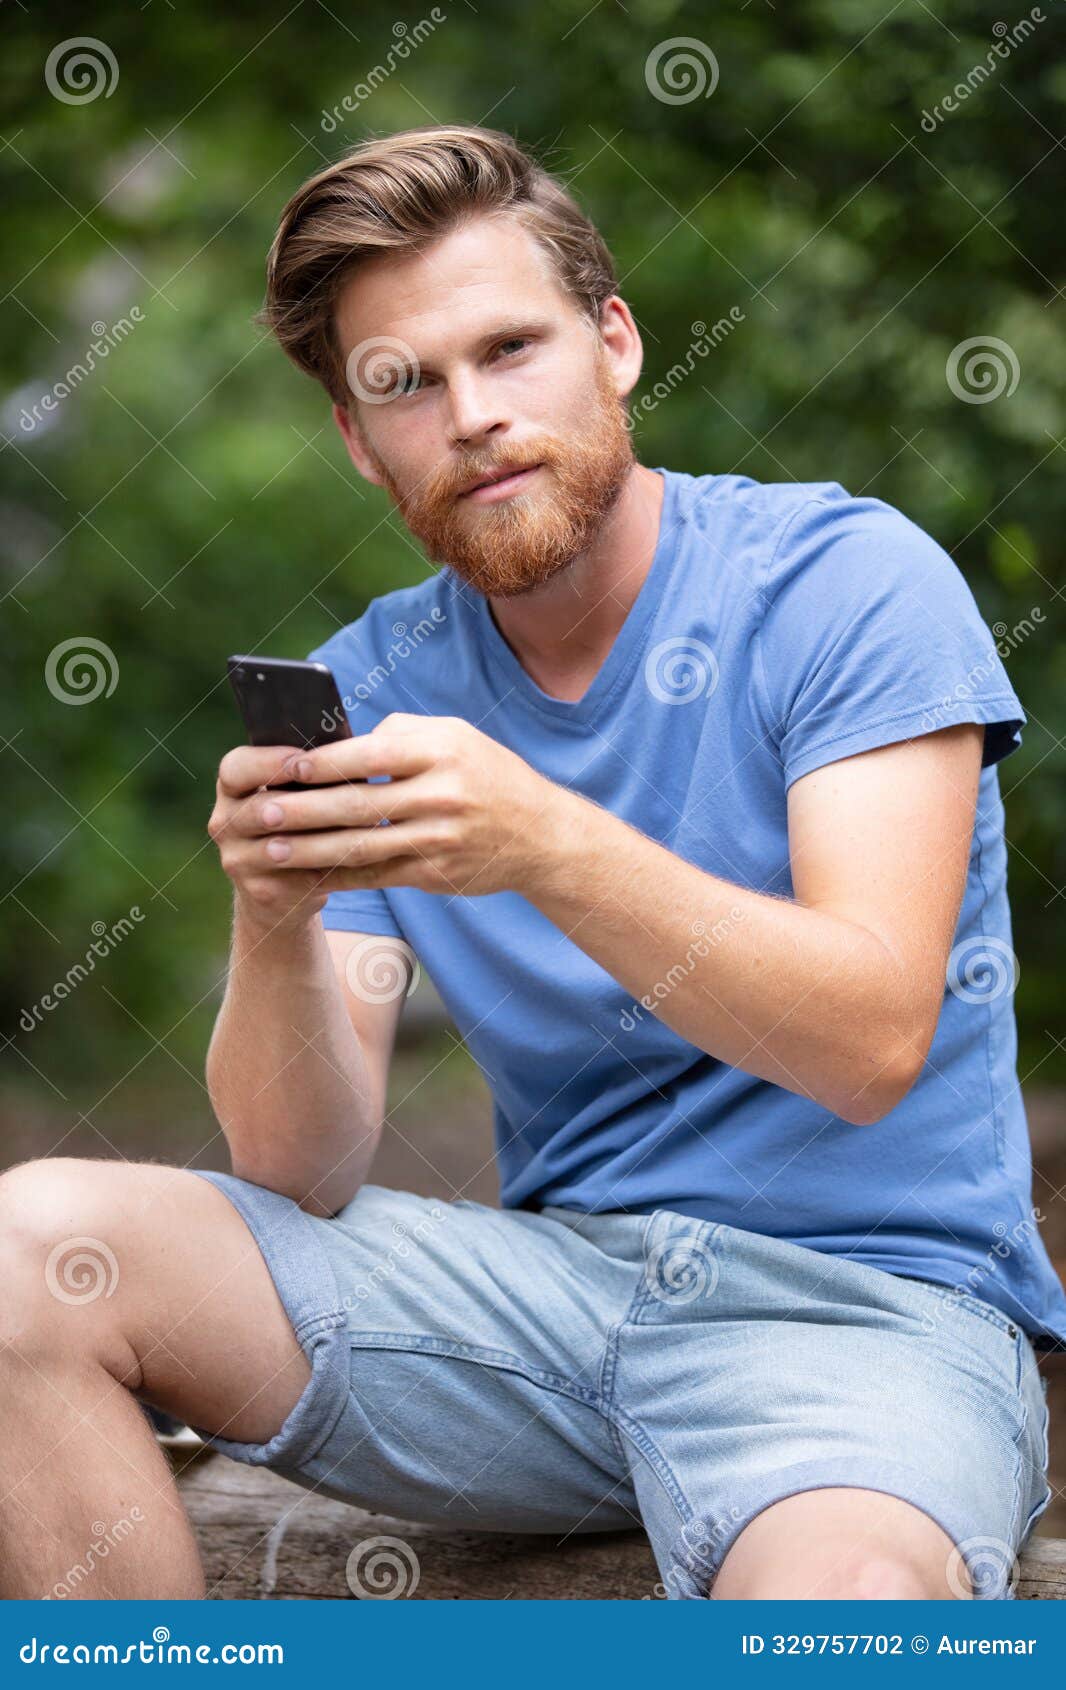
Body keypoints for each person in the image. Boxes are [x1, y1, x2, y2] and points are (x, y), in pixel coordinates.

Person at [3, 125, 1063, 1603]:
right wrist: (276, 912)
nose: (476, 414)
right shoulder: (368, 690)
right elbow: (302, 1164)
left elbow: (871, 1037)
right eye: (405, 386)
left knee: (842, 1616)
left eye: (512, 348)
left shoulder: (845, 585)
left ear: (612, 345)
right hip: (541, 1318)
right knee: (27, 1253)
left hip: (866, 1318)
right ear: (358, 443)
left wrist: (547, 842)